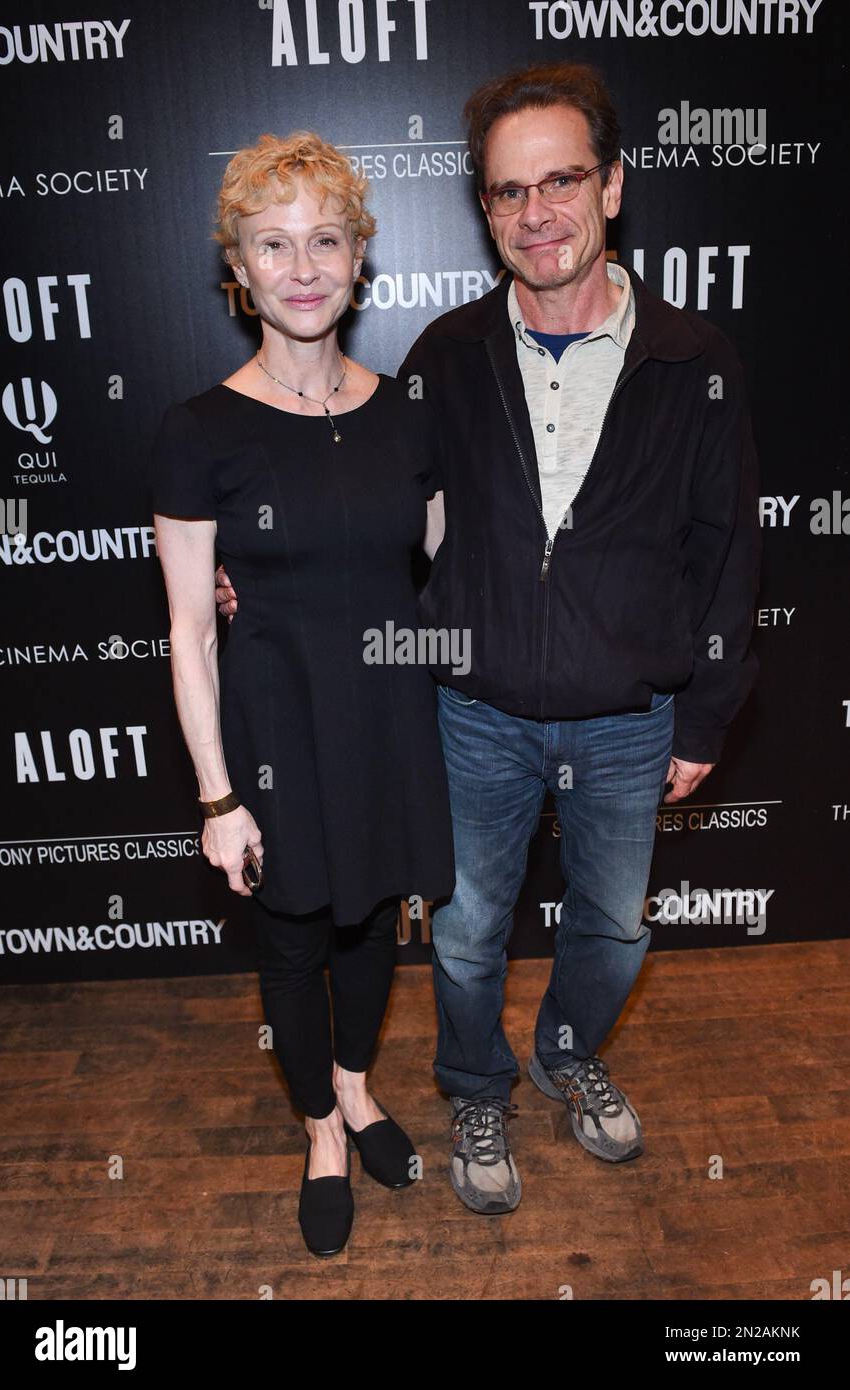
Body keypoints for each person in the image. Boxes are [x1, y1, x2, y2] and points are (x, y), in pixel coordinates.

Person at [216, 62, 762, 1217]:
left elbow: (726, 550)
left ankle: (563, 1052)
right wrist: (257, 563)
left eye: (561, 180)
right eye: (508, 192)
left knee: (611, 933)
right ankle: (474, 1083)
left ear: (612, 187)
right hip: (473, 712)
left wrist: (706, 711)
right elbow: (369, 509)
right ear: (485, 210)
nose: (537, 213)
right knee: (464, 938)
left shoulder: (692, 362)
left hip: (631, 718)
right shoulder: (445, 358)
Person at [151, 131, 454, 1256]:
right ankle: (323, 1131)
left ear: (359, 256)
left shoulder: (406, 411)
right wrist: (218, 796)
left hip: (385, 719)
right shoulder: (199, 432)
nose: (303, 264)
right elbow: (187, 626)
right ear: (239, 267)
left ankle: (359, 1085)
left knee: (374, 920)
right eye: (272, 244)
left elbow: (424, 554)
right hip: (273, 729)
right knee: (290, 940)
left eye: (325, 237)